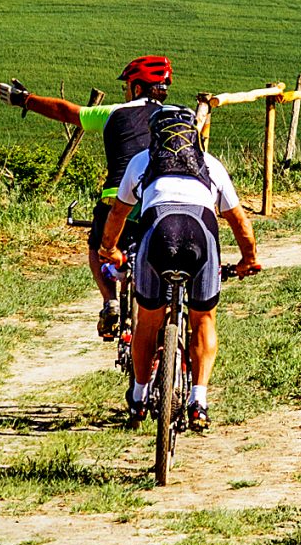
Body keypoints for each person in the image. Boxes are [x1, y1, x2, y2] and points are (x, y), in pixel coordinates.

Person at [100, 108, 259, 434]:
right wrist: (249, 259)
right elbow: (239, 221)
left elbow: (117, 213)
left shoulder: (141, 162)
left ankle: (140, 395)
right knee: (203, 319)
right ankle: (198, 401)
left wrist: (110, 250)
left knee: (148, 320)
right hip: (200, 233)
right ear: (193, 136)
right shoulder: (211, 165)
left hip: (158, 231)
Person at [0, 55, 173, 338]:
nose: (125, 92)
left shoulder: (114, 113)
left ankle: (109, 300)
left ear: (137, 88)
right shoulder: (177, 117)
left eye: (127, 86)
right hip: (161, 197)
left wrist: (26, 99)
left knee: (97, 246)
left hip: (117, 197)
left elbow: (66, 111)